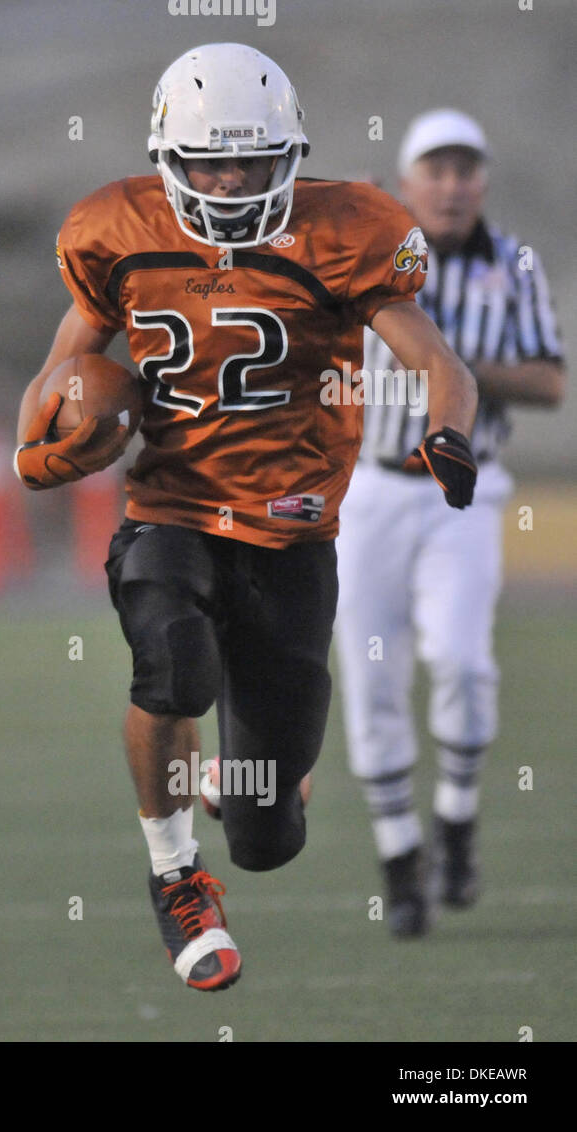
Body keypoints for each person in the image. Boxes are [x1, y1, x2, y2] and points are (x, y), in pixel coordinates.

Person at [15, 43, 479, 991]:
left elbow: (441, 364)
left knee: (271, 839)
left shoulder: (348, 229)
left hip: (291, 530)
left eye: (253, 162)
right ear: (168, 160)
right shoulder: (117, 229)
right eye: (211, 162)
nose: (230, 182)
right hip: (172, 507)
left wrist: (448, 435)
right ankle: (176, 874)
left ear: (291, 155)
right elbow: (58, 375)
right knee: (173, 666)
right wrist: (41, 447)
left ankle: (242, 790)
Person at [334, 110, 565, 937]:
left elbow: (550, 381)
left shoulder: (513, 265)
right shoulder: (369, 252)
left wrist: (453, 368)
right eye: (437, 168)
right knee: (372, 674)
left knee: (462, 659)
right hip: (370, 487)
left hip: (462, 489)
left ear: (485, 181)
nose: (453, 184)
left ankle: (457, 819)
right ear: (407, 181)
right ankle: (399, 855)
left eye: (467, 169)